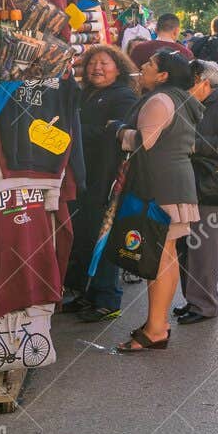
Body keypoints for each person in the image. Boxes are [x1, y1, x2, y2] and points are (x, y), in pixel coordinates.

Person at [113, 49, 202, 352]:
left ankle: (155, 329)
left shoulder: (159, 100)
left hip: (161, 186)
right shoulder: (180, 98)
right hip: (176, 184)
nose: (143, 66)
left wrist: (117, 132)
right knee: (167, 255)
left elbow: (143, 143)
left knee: (160, 257)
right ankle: (158, 324)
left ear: (163, 75)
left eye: (150, 64)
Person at [65, 44, 141, 323]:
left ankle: (108, 299)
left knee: (104, 235)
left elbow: (116, 133)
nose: (96, 68)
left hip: (106, 176)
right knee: (85, 235)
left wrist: (74, 131)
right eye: (92, 63)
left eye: (104, 63)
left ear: (118, 67)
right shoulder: (85, 93)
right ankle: (88, 293)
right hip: (84, 175)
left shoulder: (122, 95)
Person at [175, 59, 218, 324]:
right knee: (186, 246)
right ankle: (193, 300)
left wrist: (193, 144)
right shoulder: (188, 103)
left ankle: (205, 305)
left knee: (204, 249)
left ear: (203, 82)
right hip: (188, 183)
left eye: (189, 81)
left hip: (213, 187)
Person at [127, 12, 193, 70]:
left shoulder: (139, 48)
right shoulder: (186, 53)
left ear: (156, 29)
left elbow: (131, 76)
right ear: (176, 31)